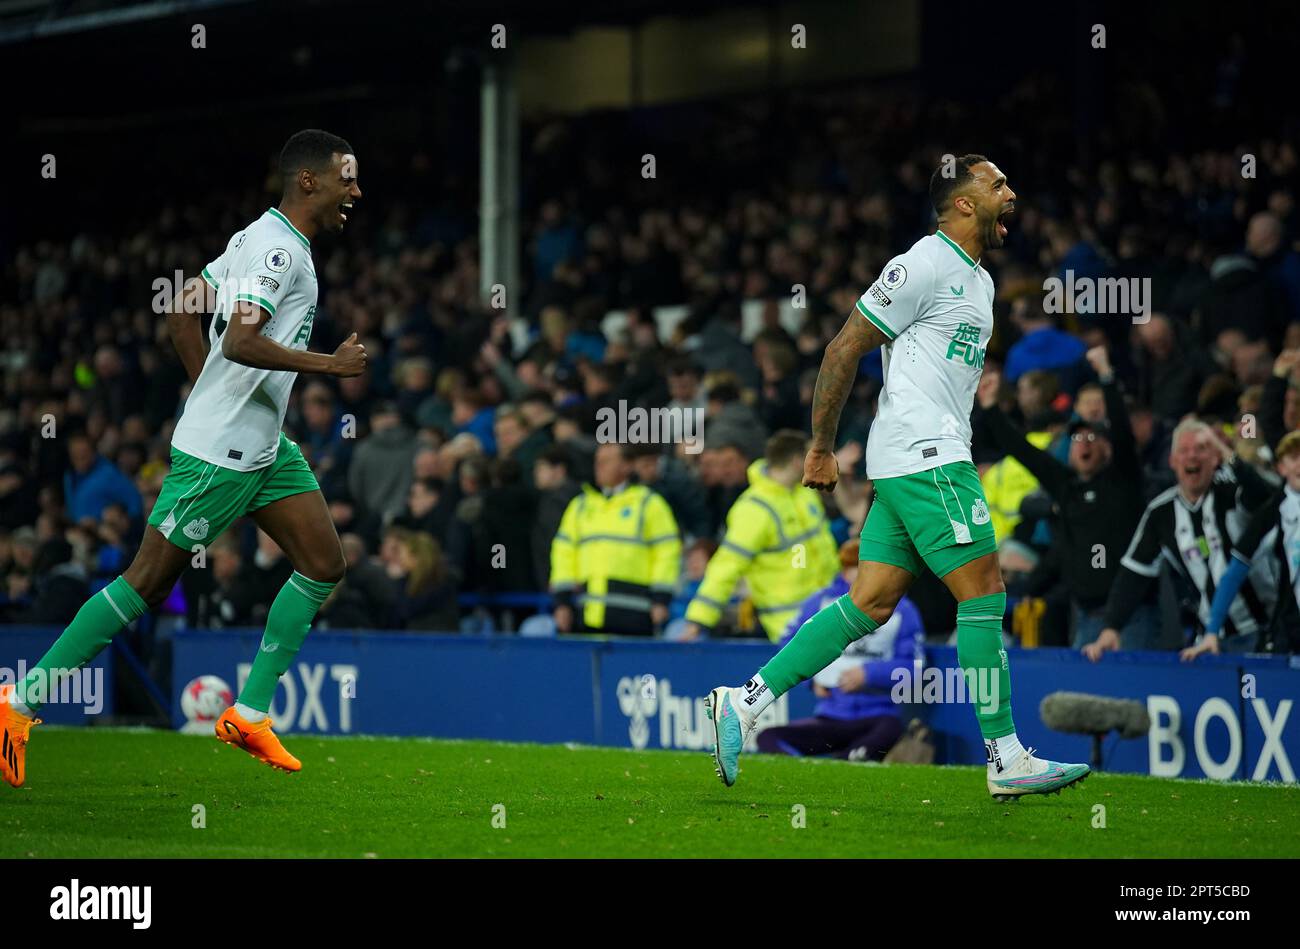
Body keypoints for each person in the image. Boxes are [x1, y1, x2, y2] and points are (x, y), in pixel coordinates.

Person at [703, 155, 1090, 800]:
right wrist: (821, 448)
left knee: (870, 604)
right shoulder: (922, 263)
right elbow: (842, 348)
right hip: (927, 457)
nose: (1010, 194)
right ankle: (1006, 755)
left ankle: (742, 703)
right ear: (963, 203)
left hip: (921, 455)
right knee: (985, 595)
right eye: (997, 185)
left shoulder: (981, 282)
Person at [0, 129, 367, 787]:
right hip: (220, 456)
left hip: (261, 446)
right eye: (348, 177)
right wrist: (329, 365)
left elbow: (180, 309)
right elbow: (243, 342)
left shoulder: (255, 236)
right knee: (146, 583)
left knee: (323, 562)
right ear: (309, 180)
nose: (356, 190)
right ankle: (17, 704)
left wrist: (209, 394)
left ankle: (250, 711)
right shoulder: (280, 253)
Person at [978, 347, 1152, 649]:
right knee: (1084, 696)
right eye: (1077, 438)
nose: (1083, 444)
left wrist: (1107, 377)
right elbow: (1023, 451)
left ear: (1108, 449)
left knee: (1132, 692)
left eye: (1092, 437)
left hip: (1131, 616)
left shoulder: (1123, 482)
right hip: (1083, 614)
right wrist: (991, 407)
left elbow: (1123, 433)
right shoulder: (1065, 485)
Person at [1083, 418, 1279, 660]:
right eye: (1183, 451)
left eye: (1201, 449)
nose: (1192, 457)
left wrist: (1227, 450)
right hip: (1212, 637)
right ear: (1172, 461)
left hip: (1264, 630)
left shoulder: (1232, 492)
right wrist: (1112, 627)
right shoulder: (1161, 513)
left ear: (1215, 458)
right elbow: (1134, 573)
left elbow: (1265, 496)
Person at [756, 541, 923, 761]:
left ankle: (845, 760)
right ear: (845, 571)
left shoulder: (903, 609)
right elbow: (789, 644)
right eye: (860, 568)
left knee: (889, 730)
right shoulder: (820, 602)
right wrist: (812, 680)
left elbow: (915, 668)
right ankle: (837, 762)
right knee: (767, 737)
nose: (868, 575)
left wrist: (869, 674)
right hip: (831, 715)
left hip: (879, 714)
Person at [683, 430, 838, 641]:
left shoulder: (805, 494)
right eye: (811, 457)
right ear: (796, 461)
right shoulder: (755, 509)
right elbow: (727, 565)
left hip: (827, 614)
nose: (816, 462)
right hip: (789, 626)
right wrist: (698, 621)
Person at [1182, 430, 1300, 659]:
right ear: (1281, 468)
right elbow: (1234, 572)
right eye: (1294, 458)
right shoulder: (1274, 512)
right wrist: (1212, 631)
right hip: (1292, 631)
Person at [549, 442, 682, 636]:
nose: (599, 466)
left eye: (607, 461)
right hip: (586, 614)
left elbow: (667, 553)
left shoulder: (649, 504)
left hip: (636, 614)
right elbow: (563, 554)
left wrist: (661, 600)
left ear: (627, 466)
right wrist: (562, 602)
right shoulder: (580, 506)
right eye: (598, 461)